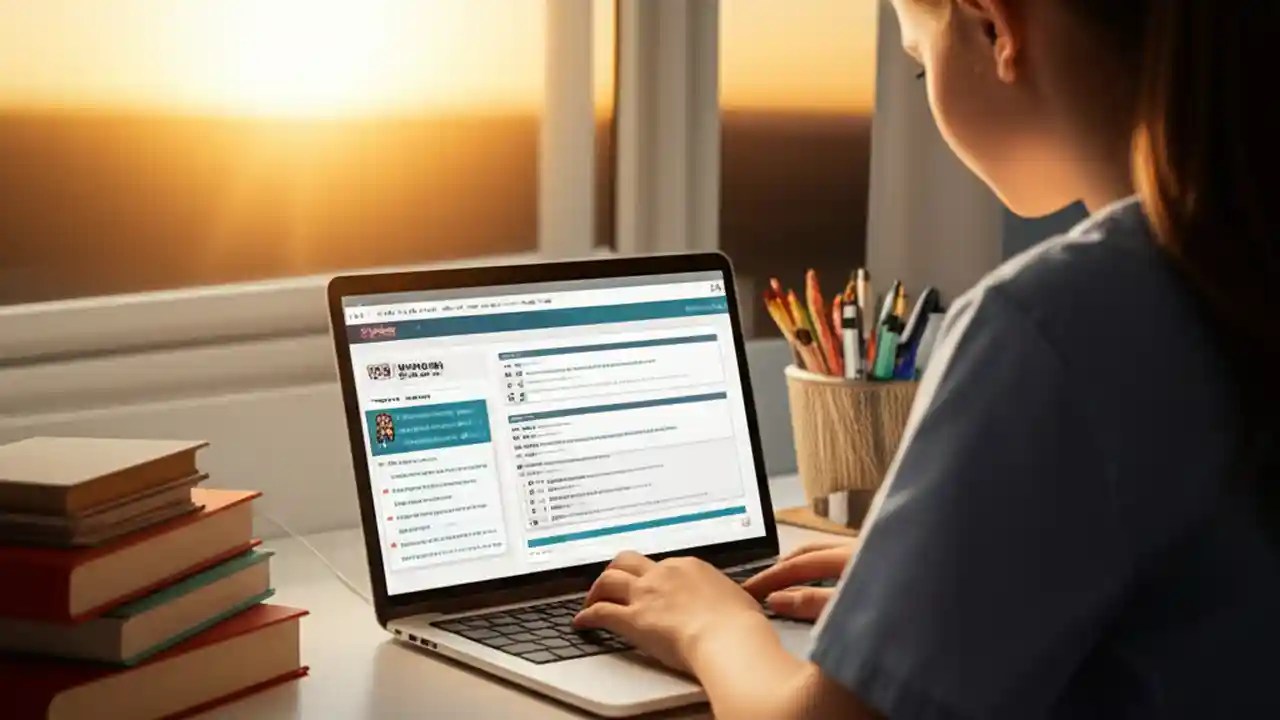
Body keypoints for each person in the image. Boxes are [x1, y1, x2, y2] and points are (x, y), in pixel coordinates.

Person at [573, 0, 1280, 716]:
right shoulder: (1232, 263)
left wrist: (711, 626)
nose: (923, 82)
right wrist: (942, 580)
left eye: (918, 64)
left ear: (994, 27)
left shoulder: (1057, 324)